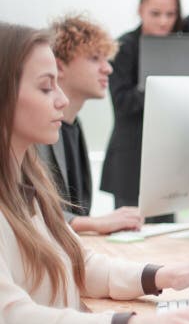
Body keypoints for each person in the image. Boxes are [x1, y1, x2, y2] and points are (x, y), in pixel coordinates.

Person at [0, 22, 189, 324]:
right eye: (46, 87)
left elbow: (80, 264)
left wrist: (163, 275)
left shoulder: (30, 186)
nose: (61, 100)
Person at [36, 15, 143, 235]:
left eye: (106, 59)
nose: (108, 69)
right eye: (95, 58)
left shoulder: (74, 126)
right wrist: (95, 223)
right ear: (59, 67)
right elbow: (27, 210)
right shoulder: (33, 131)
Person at [100, 0, 181, 222]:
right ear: (140, 10)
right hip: (130, 160)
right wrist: (160, 86)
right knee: (130, 231)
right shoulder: (123, 47)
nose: (163, 21)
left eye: (170, 14)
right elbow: (122, 102)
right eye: (155, 14)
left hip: (166, 160)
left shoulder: (180, 46)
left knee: (169, 234)